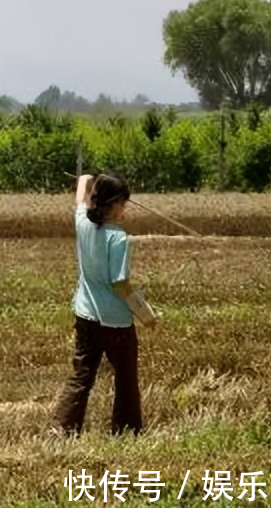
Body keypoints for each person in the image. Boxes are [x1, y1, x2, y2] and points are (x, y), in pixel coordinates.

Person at [50, 172, 154, 437]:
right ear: (112, 204)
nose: (125, 209)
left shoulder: (83, 222)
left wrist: (87, 178)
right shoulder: (118, 238)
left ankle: (62, 429)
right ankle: (127, 431)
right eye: (123, 203)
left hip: (85, 314)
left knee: (82, 375)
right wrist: (144, 312)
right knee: (126, 378)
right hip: (115, 322)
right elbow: (120, 284)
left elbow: (81, 192)